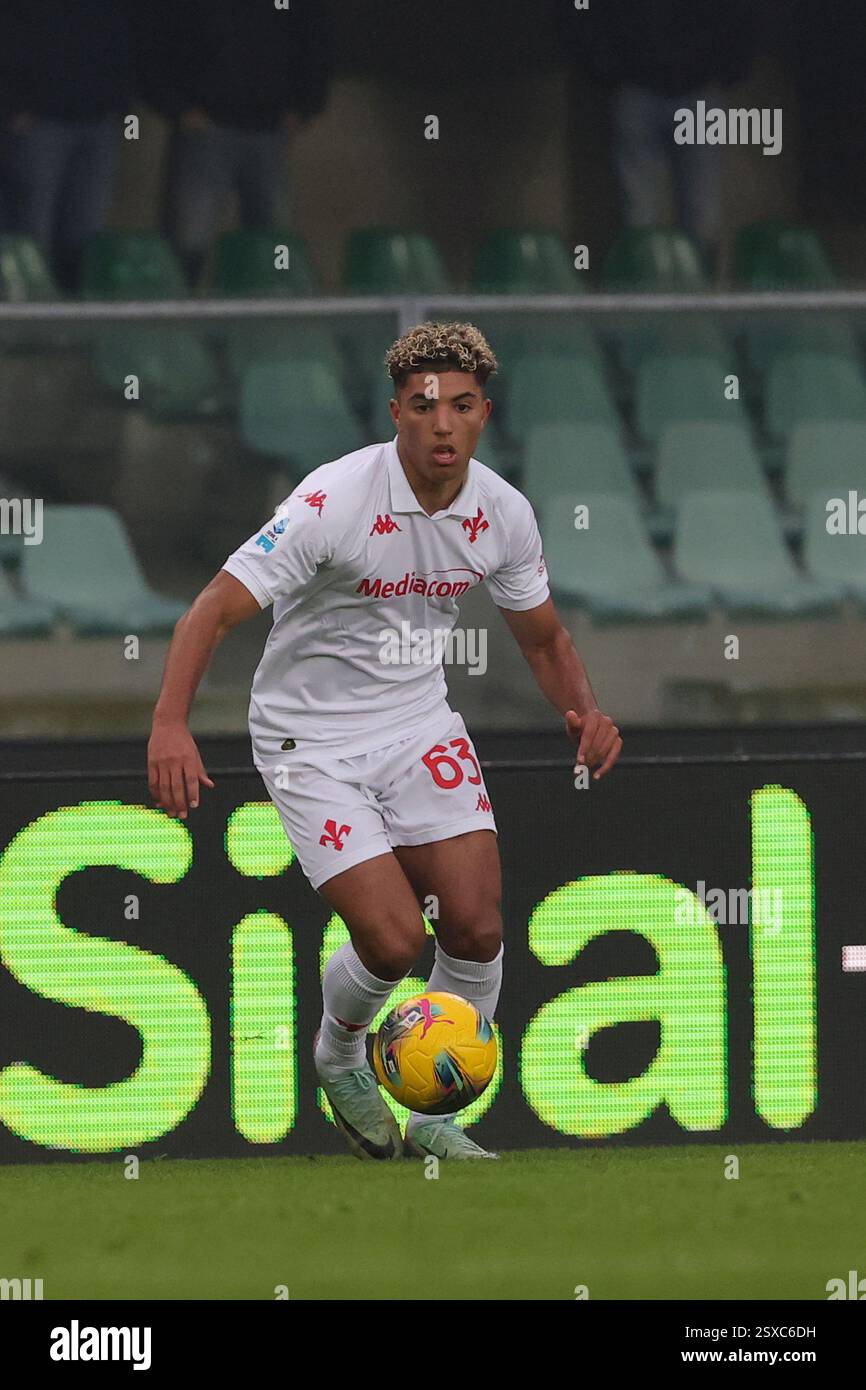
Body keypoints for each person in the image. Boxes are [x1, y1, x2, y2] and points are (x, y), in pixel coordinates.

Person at [147, 322, 622, 1160]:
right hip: (309, 739)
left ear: (483, 413)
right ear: (395, 413)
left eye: (462, 406)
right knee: (396, 941)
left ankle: (437, 1113)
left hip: (416, 722)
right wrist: (169, 724)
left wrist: (583, 711)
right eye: (424, 405)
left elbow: (543, 638)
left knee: (475, 927)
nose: (443, 424)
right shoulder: (333, 502)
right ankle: (339, 1053)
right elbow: (210, 611)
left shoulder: (501, 514)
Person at [141, 0, 332, 287]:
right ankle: (175, 327)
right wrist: (177, 107)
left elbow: (314, 34)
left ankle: (264, 329)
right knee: (187, 243)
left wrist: (305, 106)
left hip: (270, 130)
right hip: (204, 128)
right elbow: (154, 37)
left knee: (272, 246)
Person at [0, 0, 136, 292]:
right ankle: (28, 319)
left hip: (101, 121)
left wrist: (128, 121)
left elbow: (132, 39)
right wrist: (10, 107)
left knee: (85, 236)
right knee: (30, 232)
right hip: (38, 123)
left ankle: (73, 324)